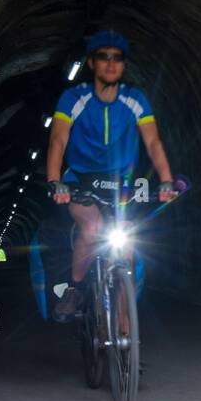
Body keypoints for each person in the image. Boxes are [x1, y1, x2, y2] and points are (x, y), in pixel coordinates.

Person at [45, 30, 177, 319]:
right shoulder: (74, 98)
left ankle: (126, 343)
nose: (110, 63)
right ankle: (76, 289)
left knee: (125, 250)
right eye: (103, 57)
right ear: (91, 63)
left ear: (123, 64)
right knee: (91, 229)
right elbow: (58, 140)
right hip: (81, 181)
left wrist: (166, 180)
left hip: (120, 185)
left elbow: (153, 142)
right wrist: (55, 182)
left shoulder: (135, 99)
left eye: (117, 58)